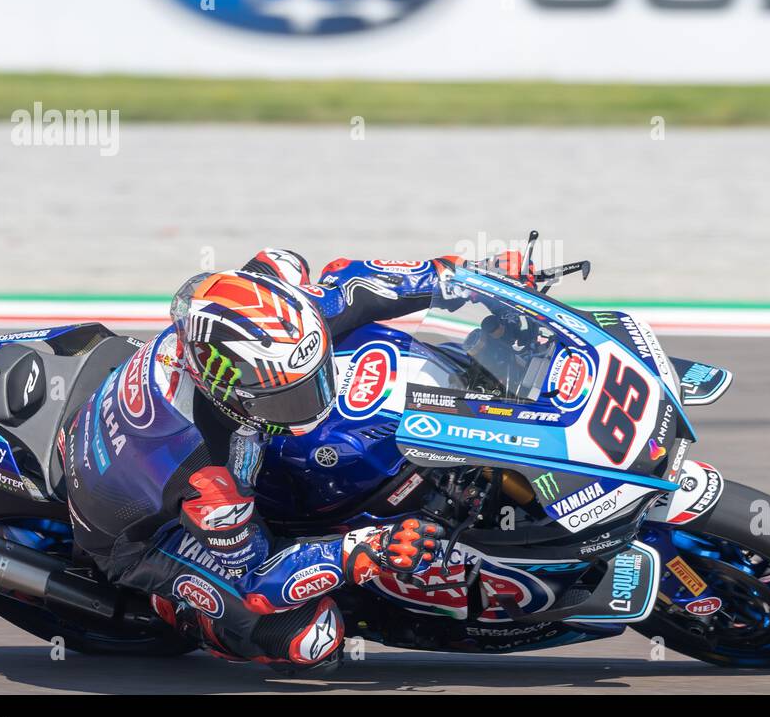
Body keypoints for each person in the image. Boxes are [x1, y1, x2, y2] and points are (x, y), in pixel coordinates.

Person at [58, 249, 469, 672]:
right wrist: (364, 549)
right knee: (310, 638)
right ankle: (182, 611)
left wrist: (462, 277)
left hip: (143, 448)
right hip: (142, 539)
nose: (312, 405)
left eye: (315, 379)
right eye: (290, 399)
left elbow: (357, 286)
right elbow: (257, 579)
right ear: (227, 388)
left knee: (283, 263)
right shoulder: (212, 482)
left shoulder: (245, 333)